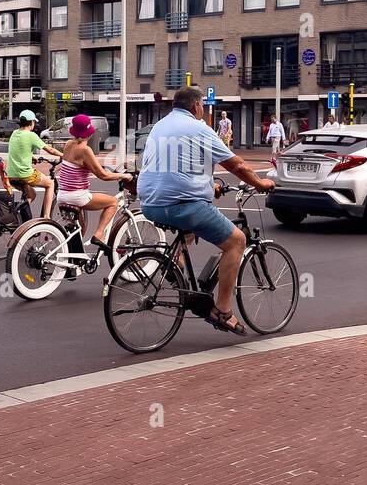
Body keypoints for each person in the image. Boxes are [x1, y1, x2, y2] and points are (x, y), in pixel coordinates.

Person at [140, 88, 276, 336]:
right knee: (237, 241)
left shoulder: (159, 126)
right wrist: (261, 183)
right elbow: (237, 164)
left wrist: (208, 185)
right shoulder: (199, 128)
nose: (203, 110)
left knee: (193, 221)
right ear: (196, 106)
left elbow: (177, 165)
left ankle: (175, 260)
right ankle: (223, 310)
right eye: (202, 105)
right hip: (181, 205)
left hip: (150, 203)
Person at [57, 115, 128, 253]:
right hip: (77, 196)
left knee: (80, 229)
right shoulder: (85, 150)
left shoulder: (68, 145)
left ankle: (74, 257)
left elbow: (83, 165)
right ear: (89, 133)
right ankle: (99, 235)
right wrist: (123, 175)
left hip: (62, 195)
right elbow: (103, 175)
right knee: (113, 202)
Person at [6, 109, 62, 217]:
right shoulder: (31, 135)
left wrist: (31, 156)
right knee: (50, 184)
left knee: (32, 194)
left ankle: (17, 213)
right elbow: (50, 150)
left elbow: (18, 149)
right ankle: (46, 217)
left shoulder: (14, 133)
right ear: (32, 122)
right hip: (25, 174)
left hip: (11, 175)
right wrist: (64, 156)